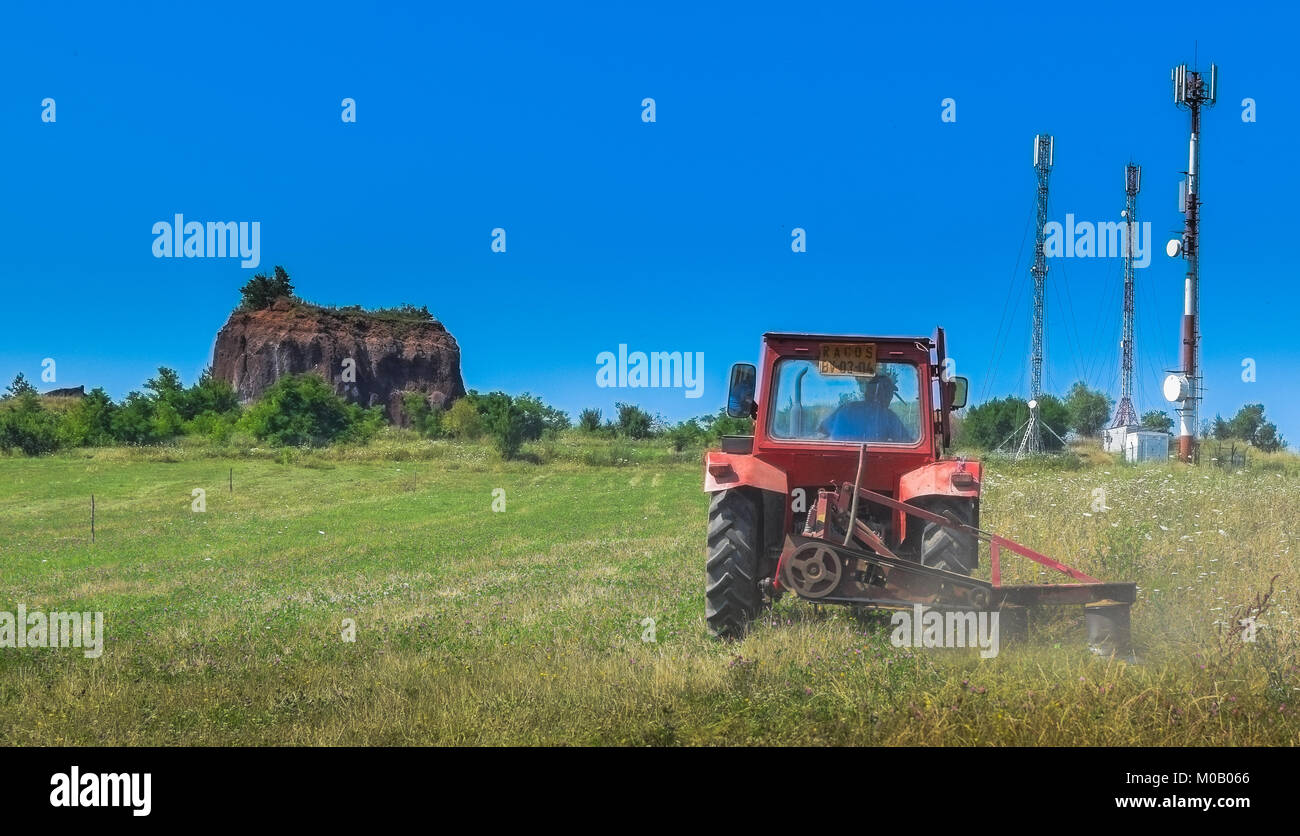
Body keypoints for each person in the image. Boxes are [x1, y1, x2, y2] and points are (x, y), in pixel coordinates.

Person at [818, 373, 909, 442]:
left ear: (866, 393)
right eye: (889, 394)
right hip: (873, 462)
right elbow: (906, 441)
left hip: (837, 459)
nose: (890, 397)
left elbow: (822, 429)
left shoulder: (846, 408)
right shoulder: (888, 416)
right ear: (881, 395)